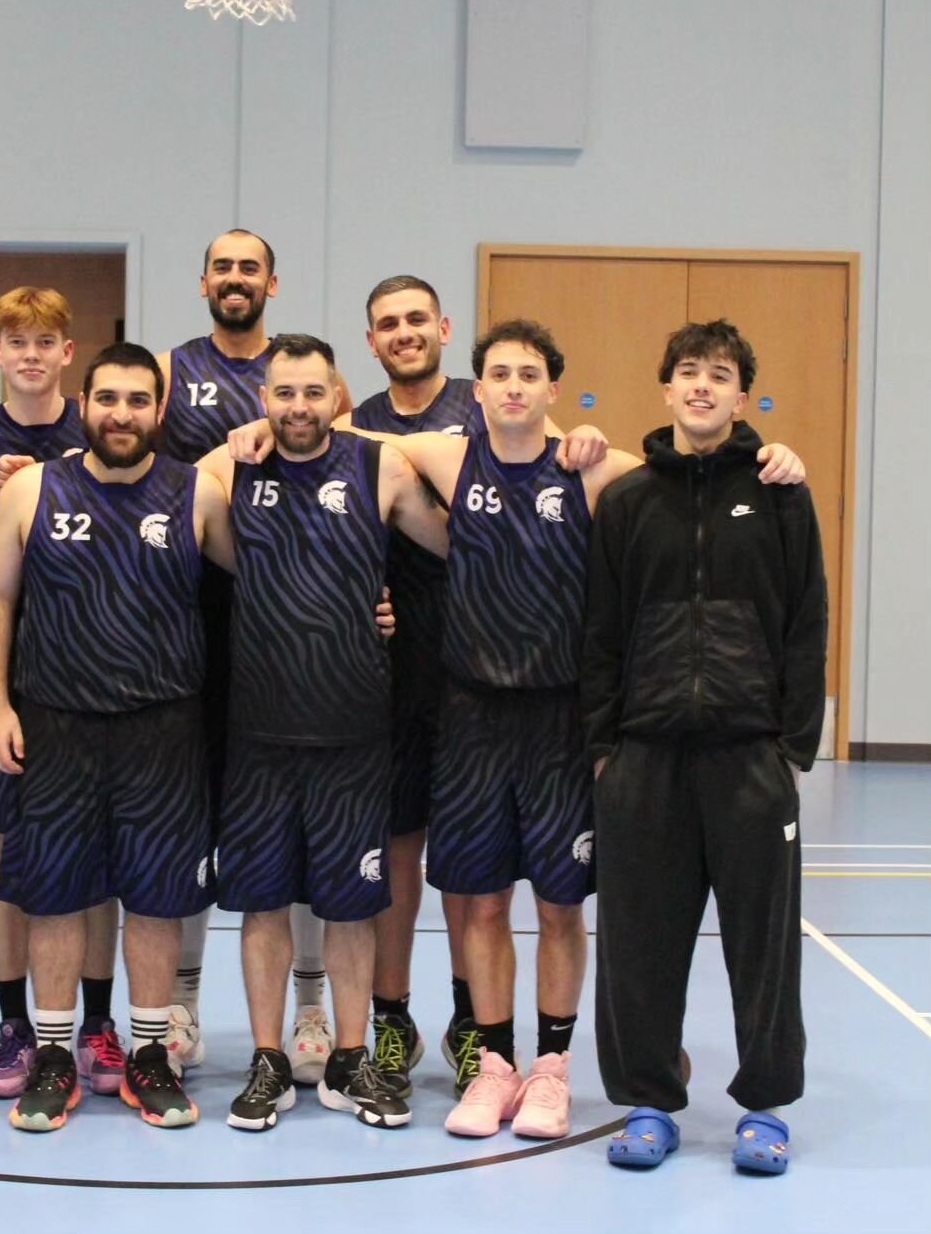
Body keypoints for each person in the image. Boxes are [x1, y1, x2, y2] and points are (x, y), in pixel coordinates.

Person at [228, 319, 804, 1139]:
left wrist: (771, 457)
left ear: (551, 389)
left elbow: (691, 468)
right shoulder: (448, 457)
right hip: (471, 719)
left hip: (558, 719)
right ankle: (493, 1065)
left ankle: (552, 1069)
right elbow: (338, 428)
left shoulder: (593, 468)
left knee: (562, 907)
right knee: (480, 903)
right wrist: (261, 422)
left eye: (529, 374)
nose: (512, 387)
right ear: (480, 386)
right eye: (498, 373)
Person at [349, 277, 608, 1097]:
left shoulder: (524, 429)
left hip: (535, 694)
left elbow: (635, 472)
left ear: (443, 328)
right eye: (387, 323)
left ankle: (513, 1045)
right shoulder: (401, 438)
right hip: (413, 681)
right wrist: (253, 431)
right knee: (421, 868)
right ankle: (421, 1031)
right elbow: (319, 436)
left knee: (520, 891)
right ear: (372, 339)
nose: (403, 332)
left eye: (416, 319)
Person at [582, 320, 826, 1175]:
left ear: (741, 394)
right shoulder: (626, 502)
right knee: (640, 941)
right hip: (643, 758)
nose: (701, 388)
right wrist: (605, 745)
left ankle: (765, 1105)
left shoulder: (781, 495)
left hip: (749, 757)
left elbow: (806, 624)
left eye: (719, 375)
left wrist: (793, 747)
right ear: (666, 388)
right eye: (688, 372)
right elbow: (601, 632)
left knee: (764, 943)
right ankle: (649, 1102)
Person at [0, 341, 234, 1131]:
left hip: (163, 729)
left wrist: (369, 609)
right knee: (57, 897)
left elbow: (271, 580)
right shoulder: (32, 491)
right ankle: (55, 1057)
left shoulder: (198, 494)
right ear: (83, 404)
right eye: (109, 399)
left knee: (155, 900)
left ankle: (149, 1055)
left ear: (160, 410)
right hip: (56, 724)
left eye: (138, 400)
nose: (122, 414)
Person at [201, 334, 447, 1132]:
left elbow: (459, 537)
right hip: (260, 729)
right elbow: (149, 494)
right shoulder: (230, 469)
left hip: (353, 727)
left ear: (337, 394)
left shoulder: (380, 467)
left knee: (350, 904)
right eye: (283, 394)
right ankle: (269, 1058)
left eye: (314, 393)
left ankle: (349, 1057)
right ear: (262, 399)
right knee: (264, 905)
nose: (298, 408)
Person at [157, 230, 353, 1084]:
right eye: (223, 267)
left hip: (298, 638)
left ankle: (312, 1005)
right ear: (204, 281)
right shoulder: (171, 370)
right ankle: (182, 999)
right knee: (196, 821)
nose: (236, 280)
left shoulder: (307, 385)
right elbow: (128, 467)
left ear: (274, 282)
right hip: (189, 629)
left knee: (306, 827)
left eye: (251, 268)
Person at [0, 287, 124, 1101]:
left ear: (67, 352)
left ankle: (99, 1020)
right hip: (7, 675)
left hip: (100, 670)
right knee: (4, 851)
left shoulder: (104, 423)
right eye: (18, 341)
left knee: (106, 855)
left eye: (48, 340)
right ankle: (15, 1024)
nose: (33, 354)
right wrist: (13, 502)